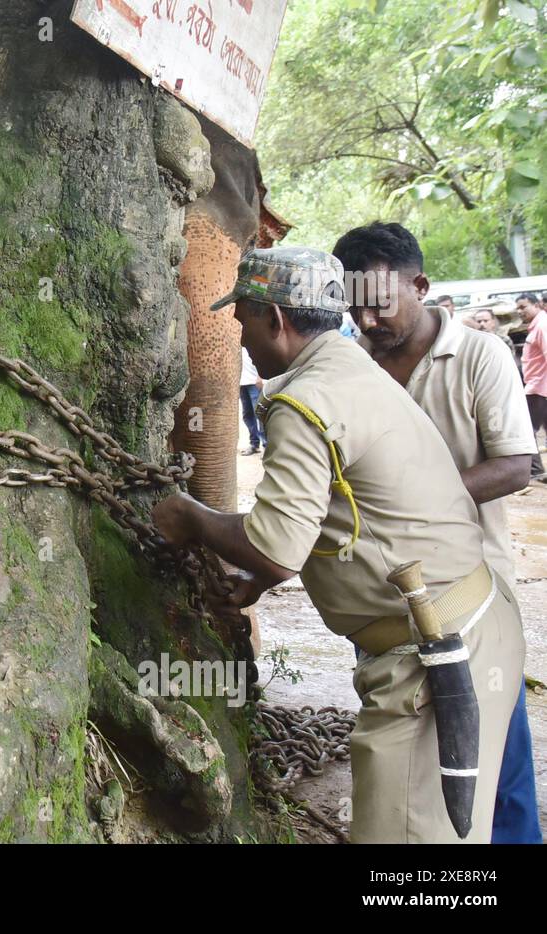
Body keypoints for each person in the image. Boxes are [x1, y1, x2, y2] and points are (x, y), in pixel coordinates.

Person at [152, 246, 524, 843]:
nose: (240, 336)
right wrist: (262, 578)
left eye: (242, 318)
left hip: (433, 658)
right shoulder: (350, 368)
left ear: (275, 319)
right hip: (470, 622)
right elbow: (338, 508)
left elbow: (276, 546)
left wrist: (192, 518)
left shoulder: (304, 401)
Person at [333, 221, 541, 844]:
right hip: (384, 600)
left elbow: (516, 465)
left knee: (497, 756)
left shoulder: (477, 356)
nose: (367, 322)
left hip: (470, 597)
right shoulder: (354, 366)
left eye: (380, 304)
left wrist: (415, 500)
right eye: (354, 307)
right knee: (417, 753)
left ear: (419, 286)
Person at [518, 293, 547, 481]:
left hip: (538, 387)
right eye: (518, 308)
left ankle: (535, 470)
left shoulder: (542, 326)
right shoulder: (536, 325)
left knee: (527, 430)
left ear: (537, 305)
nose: (520, 312)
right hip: (538, 386)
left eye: (523, 307)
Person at [239, 347, 265, 455]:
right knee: (247, 415)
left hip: (254, 382)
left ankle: (266, 445)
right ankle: (254, 444)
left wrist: (260, 377)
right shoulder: (235, 340)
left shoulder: (250, 339)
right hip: (241, 383)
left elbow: (262, 357)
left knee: (259, 415)